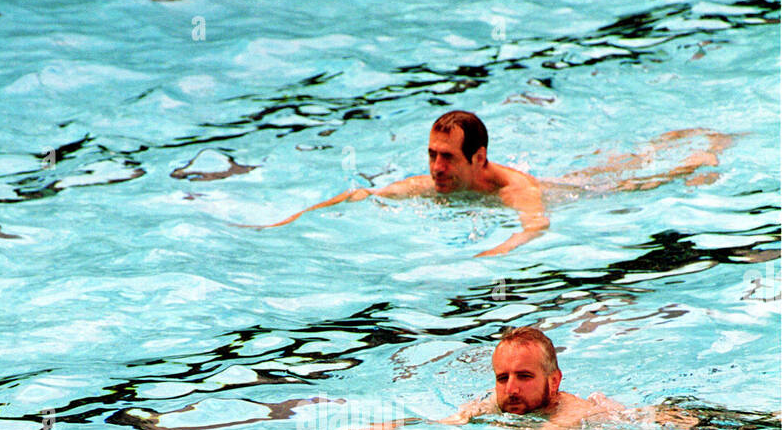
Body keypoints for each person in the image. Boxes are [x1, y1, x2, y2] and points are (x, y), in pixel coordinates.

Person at [261, 110, 731, 256]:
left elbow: (536, 226)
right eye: (431, 155)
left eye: (446, 158)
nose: (436, 168)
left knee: (632, 179)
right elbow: (364, 193)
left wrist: (496, 252)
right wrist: (296, 218)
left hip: (576, 195)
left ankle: (697, 154)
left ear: (478, 158)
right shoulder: (434, 184)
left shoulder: (513, 189)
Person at [340, 325, 627, 430]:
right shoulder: (496, 402)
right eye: (503, 378)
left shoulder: (572, 411)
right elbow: (446, 424)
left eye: (524, 376)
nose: (511, 389)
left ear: (554, 381)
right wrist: (392, 427)